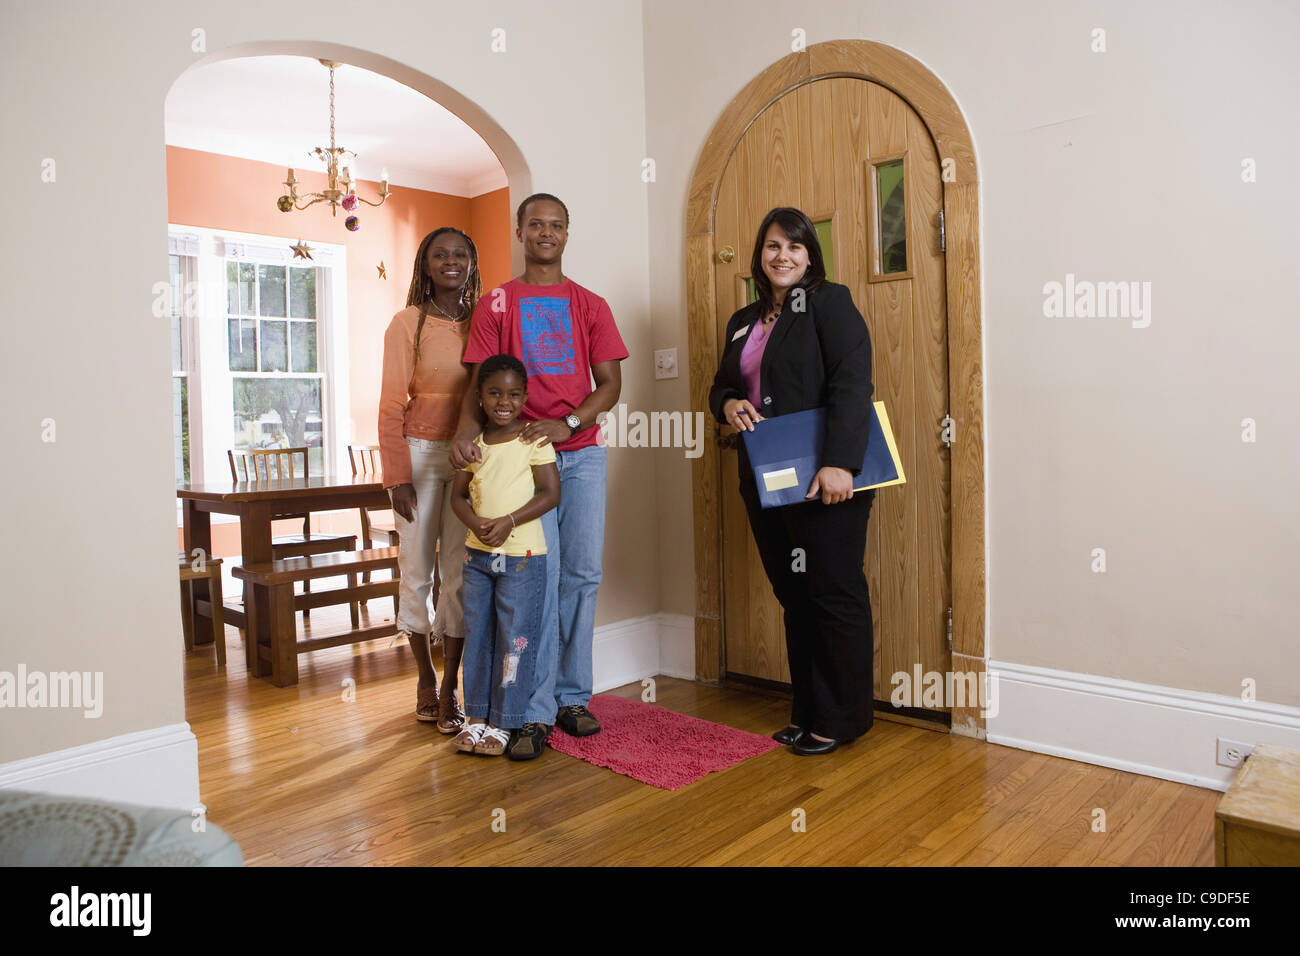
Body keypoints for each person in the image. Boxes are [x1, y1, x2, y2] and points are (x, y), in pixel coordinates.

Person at [451, 193, 627, 761]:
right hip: (522, 462)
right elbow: (477, 380)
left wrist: (568, 422)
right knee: (539, 583)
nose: (546, 233)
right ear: (520, 230)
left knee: (582, 575)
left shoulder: (591, 305)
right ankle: (534, 708)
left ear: (566, 234)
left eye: (556, 226)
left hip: (582, 455)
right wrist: (463, 435)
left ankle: (573, 696)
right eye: (536, 225)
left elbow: (610, 385)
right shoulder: (498, 303)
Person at [708, 206, 876, 756]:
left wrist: (841, 464)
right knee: (795, 594)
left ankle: (842, 719)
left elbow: (852, 384)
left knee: (833, 592)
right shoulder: (743, 319)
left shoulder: (831, 302)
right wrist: (730, 403)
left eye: (795, 247)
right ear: (760, 255)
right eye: (773, 246)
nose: (783, 256)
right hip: (767, 478)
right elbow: (721, 387)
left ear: (810, 255)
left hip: (825, 477)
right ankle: (807, 713)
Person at [378, 227, 480, 731]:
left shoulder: (482, 323)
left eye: (460, 254)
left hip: (467, 459)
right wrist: (396, 475)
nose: (451, 261)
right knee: (416, 571)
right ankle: (422, 676)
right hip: (417, 458)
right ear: (425, 265)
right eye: (440, 254)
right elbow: (391, 404)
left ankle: (450, 686)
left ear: (471, 263)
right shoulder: (407, 324)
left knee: (458, 576)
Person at [449, 355, 561, 757]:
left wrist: (510, 520)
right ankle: (476, 718)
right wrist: (475, 522)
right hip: (477, 558)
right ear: (479, 397)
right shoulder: (474, 447)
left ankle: (504, 722)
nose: (504, 402)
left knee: (514, 641)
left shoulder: (534, 442)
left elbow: (551, 494)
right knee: (478, 635)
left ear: (525, 397)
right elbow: (457, 496)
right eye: (495, 393)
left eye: (514, 394)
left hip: (523, 558)